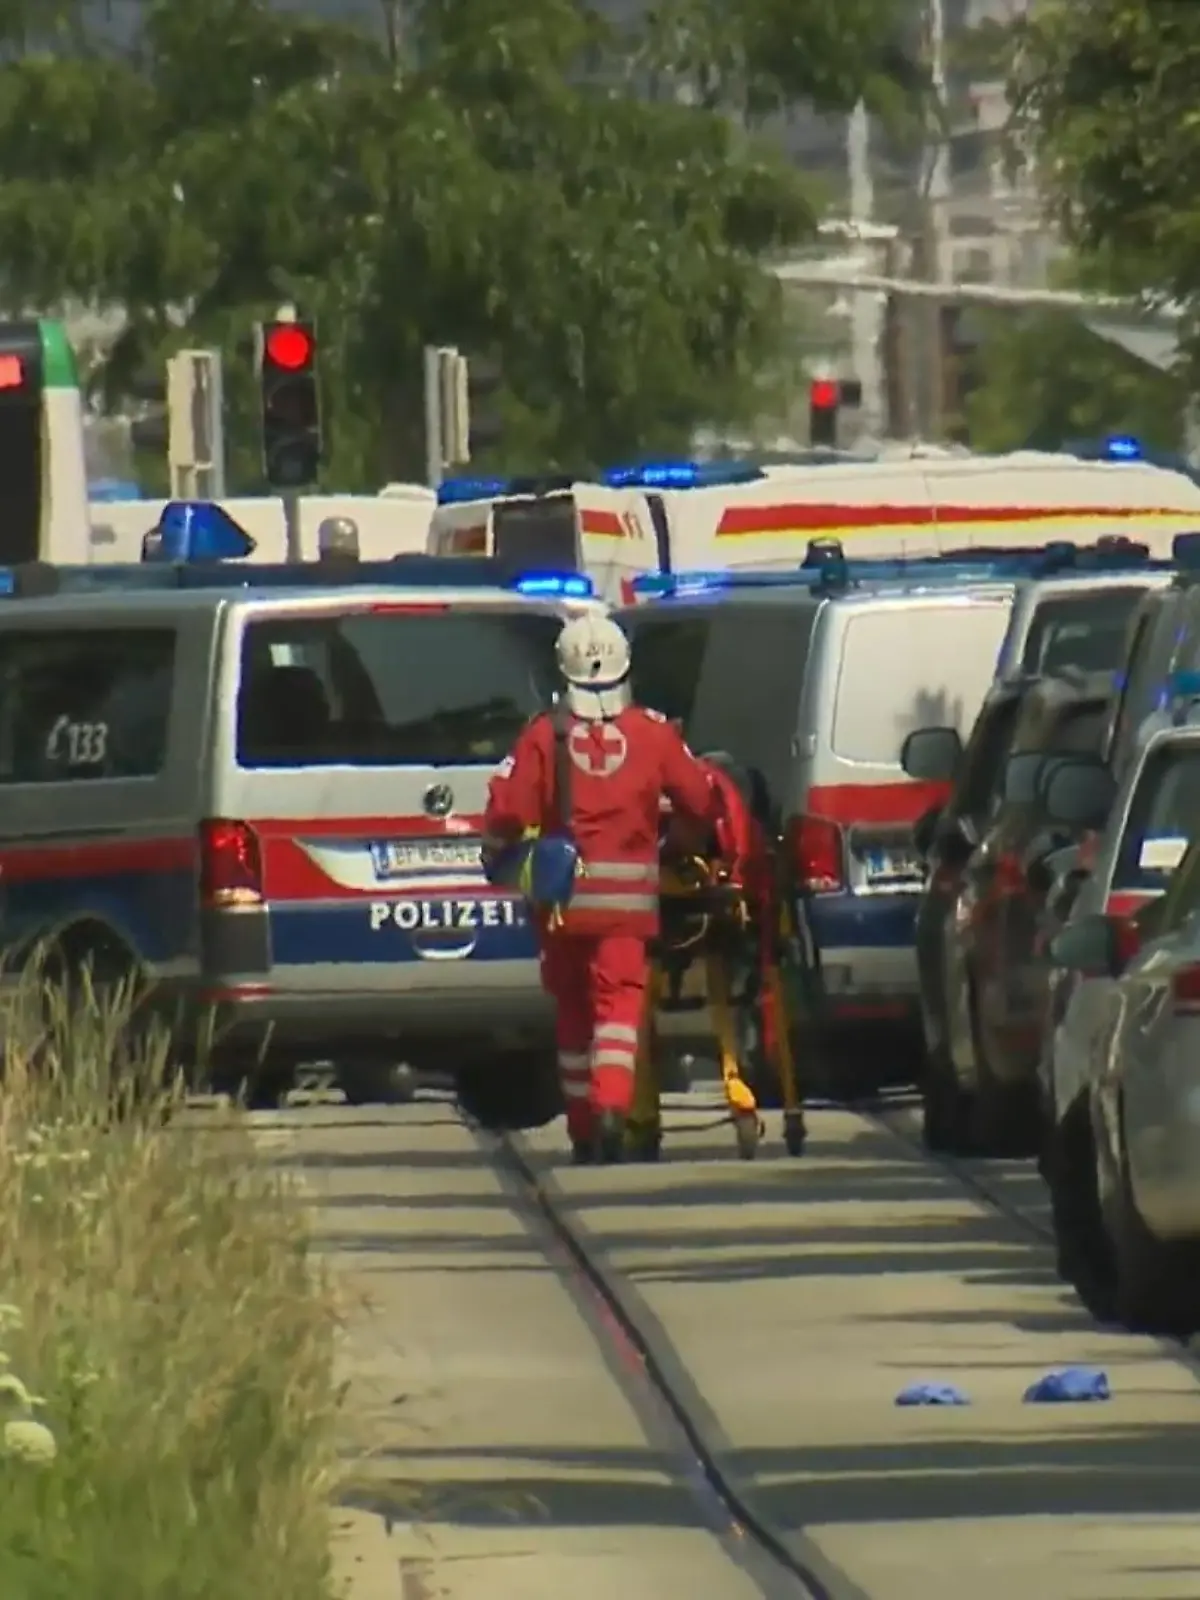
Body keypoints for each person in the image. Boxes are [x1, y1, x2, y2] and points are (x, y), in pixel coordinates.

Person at [483, 613, 716, 1163]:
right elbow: (701, 801)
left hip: (562, 902)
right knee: (617, 1010)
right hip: (627, 910)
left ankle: (583, 1128)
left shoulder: (543, 734)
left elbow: (509, 811)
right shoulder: (654, 732)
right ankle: (614, 1110)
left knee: (572, 1013)